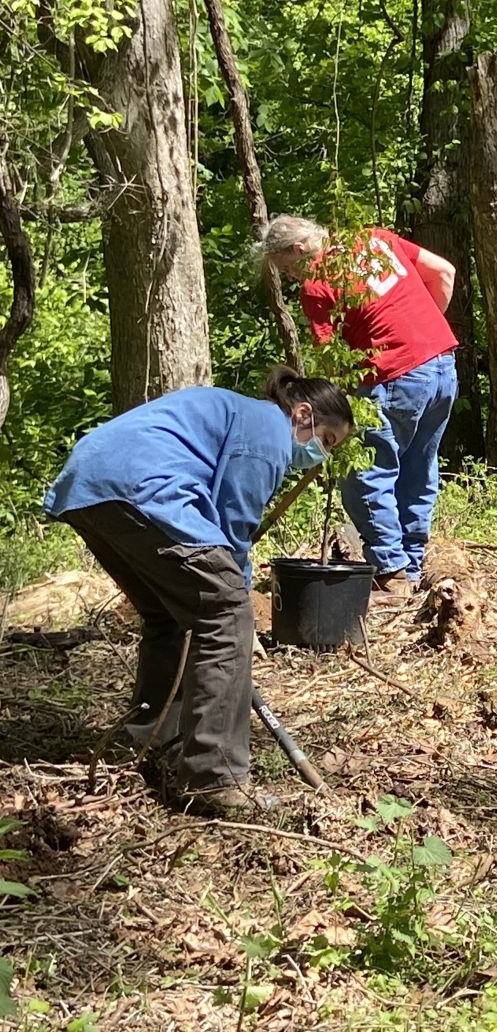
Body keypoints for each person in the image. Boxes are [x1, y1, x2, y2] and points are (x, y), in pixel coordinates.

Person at [44, 368, 353, 815]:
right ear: (302, 414)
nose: (320, 454)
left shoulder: (242, 415)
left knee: (168, 614)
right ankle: (215, 776)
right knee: (225, 611)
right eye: (325, 439)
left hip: (90, 485)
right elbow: (232, 531)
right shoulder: (268, 432)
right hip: (141, 489)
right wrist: (237, 614)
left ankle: (149, 740)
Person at [256, 215, 458, 594]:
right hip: (442, 365)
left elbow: (333, 360)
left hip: (391, 376)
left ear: (298, 251)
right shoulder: (374, 239)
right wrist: (418, 338)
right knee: (419, 469)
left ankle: (391, 572)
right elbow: (443, 272)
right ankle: (410, 567)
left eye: (286, 268)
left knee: (365, 474)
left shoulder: (317, 285)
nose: (291, 277)